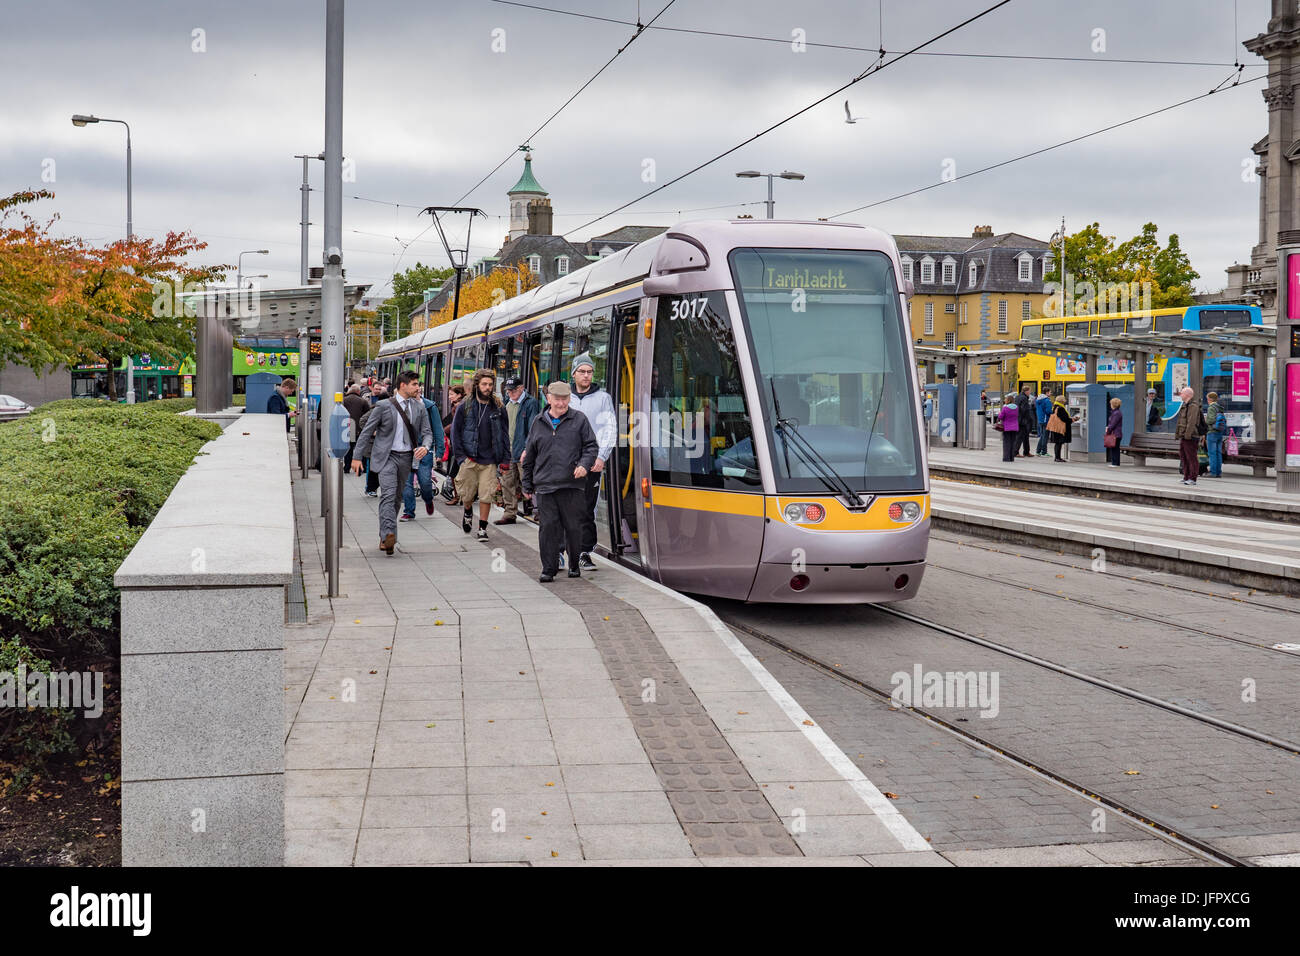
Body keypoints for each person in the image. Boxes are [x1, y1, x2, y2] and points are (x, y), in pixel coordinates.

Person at [520, 381, 599, 583]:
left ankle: (574, 565)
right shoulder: (538, 422)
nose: (562, 403)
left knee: (573, 526)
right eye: (558, 399)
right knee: (547, 528)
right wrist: (527, 484)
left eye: (565, 399)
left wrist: (584, 464)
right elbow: (529, 456)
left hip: (572, 484)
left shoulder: (579, 420)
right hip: (545, 485)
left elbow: (591, 446)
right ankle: (549, 568)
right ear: (549, 399)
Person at [350, 369, 433, 555]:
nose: (418, 387)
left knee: (396, 498)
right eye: (414, 384)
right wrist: (356, 457)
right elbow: (366, 431)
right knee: (387, 494)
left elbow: (427, 433)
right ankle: (389, 534)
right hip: (387, 457)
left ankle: (384, 536)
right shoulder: (383, 406)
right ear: (403, 385)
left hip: (407, 458)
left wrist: (425, 447)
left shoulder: (419, 407)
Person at [567, 353, 617, 571]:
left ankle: (584, 552)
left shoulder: (603, 398)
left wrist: (601, 456)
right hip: (565, 461)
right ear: (574, 374)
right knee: (563, 507)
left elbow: (610, 428)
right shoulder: (564, 396)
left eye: (589, 372)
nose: (586, 376)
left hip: (591, 463)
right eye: (582, 372)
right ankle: (561, 551)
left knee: (587, 508)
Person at [451, 369, 510, 540]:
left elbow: (505, 435)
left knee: (487, 494)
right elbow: (456, 433)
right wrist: (461, 458)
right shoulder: (465, 406)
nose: (488, 388)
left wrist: (506, 459)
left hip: (490, 460)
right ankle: (468, 511)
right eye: (484, 384)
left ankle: (482, 528)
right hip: (469, 458)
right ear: (477, 385)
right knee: (467, 495)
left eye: (491, 385)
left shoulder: (499, 408)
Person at [496, 377, 540, 525]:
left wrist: (528, 449)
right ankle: (509, 513)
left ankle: (539, 510)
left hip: (523, 452)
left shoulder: (530, 403)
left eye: (513, 390)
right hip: (508, 451)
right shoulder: (508, 404)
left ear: (521, 388)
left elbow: (534, 428)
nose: (510, 393)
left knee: (529, 481)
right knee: (507, 482)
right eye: (508, 391)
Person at [401, 384, 446, 521]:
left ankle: (428, 498)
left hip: (424, 449)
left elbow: (438, 429)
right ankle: (409, 511)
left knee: (425, 481)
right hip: (405, 450)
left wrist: (440, 450)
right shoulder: (401, 405)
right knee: (406, 482)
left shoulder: (429, 406)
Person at [442, 385, 467, 504]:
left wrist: (443, 431)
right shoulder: (458, 405)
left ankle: (457, 497)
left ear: (459, 395)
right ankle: (459, 496)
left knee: (453, 471)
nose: (449, 397)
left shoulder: (459, 406)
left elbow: (457, 424)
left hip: (458, 443)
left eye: (452, 394)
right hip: (459, 442)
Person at [1173, 386, 1202, 485]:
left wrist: (1188, 435)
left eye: (1182, 393)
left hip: (1190, 436)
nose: (1180, 394)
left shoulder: (1193, 406)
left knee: (1191, 457)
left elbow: (1191, 422)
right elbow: (1181, 422)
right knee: (1184, 457)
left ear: (1187, 395)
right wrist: (1179, 434)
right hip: (1184, 436)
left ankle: (1193, 478)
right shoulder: (1185, 405)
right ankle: (1186, 476)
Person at [342, 384, 368, 471]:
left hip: (347, 427)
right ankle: (361, 467)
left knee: (348, 449)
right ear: (358, 391)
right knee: (359, 448)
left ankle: (347, 467)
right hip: (359, 429)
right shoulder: (363, 401)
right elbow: (367, 415)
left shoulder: (344, 400)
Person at [1047, 393, 1076, 462]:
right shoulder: (1060, 408)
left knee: (1058, 443)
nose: (1065, 400)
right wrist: (1072, 419)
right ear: (1062, 401)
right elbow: (1064, 418)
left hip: (1056, 427)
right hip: (1060, 429)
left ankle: (1057, 457)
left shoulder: (1055, 406)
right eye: (1064, 399)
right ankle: (1057, 458)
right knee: (1059, 443)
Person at [1204, 390, 1226, 478]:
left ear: (1210, 399)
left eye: (1207, 399)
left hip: (1212, 432)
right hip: (1219, 432)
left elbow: (1211, 420)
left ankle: (1213, 472)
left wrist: (1206, 419)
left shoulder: (1211, 407)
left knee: (1212, 453)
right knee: (1218, 453)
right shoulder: (1220, 407)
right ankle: (1218, 472)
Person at [997, 392, 1019, 462]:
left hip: (1007, 427)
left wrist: (1000, 413)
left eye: (1006, 399)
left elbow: (1001, 417)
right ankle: (1011, 458)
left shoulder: (1005, 408)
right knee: (1013, 442)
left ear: (1008, 400)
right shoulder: (1016, 407)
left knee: (1006, 443)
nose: (1005, 400)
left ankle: (1006, 458)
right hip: (1015, 427)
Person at [1014, 385, 1033, 458]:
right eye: (1029, 391)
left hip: (1019, 419)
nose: (1030, 393)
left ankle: (1027, 451)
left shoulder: (1018, 397)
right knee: (1020, 436)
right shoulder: (1024, 398)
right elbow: (1024, 410)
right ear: (1026, 391)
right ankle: (1015, 452)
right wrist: (1028, 418)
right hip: (1023, 420)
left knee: (1025, 436)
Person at [1104, 396, 1123, 467]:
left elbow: (1113, 424)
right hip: (1117, 433)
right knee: (1115, 448)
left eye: (1111, 404)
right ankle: (1116, 462)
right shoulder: (1116, 412)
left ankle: (1115, 463)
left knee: (1114, 448)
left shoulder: (1116, 413)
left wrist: (1108, 431)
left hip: (1115, 434)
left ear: (1113, 404)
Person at [1035, 388, 1052, 456]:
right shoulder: (1047, 401)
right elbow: (1048, 411)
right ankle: (1044, 452)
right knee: (1045, 436)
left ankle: (1038, 451)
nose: (1051, 394)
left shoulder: (1038, 400)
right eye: (1050, 392)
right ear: (1047, 392)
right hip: (1046, 419)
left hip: (1040, 419)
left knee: (1042, 436)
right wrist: (1053, 412)